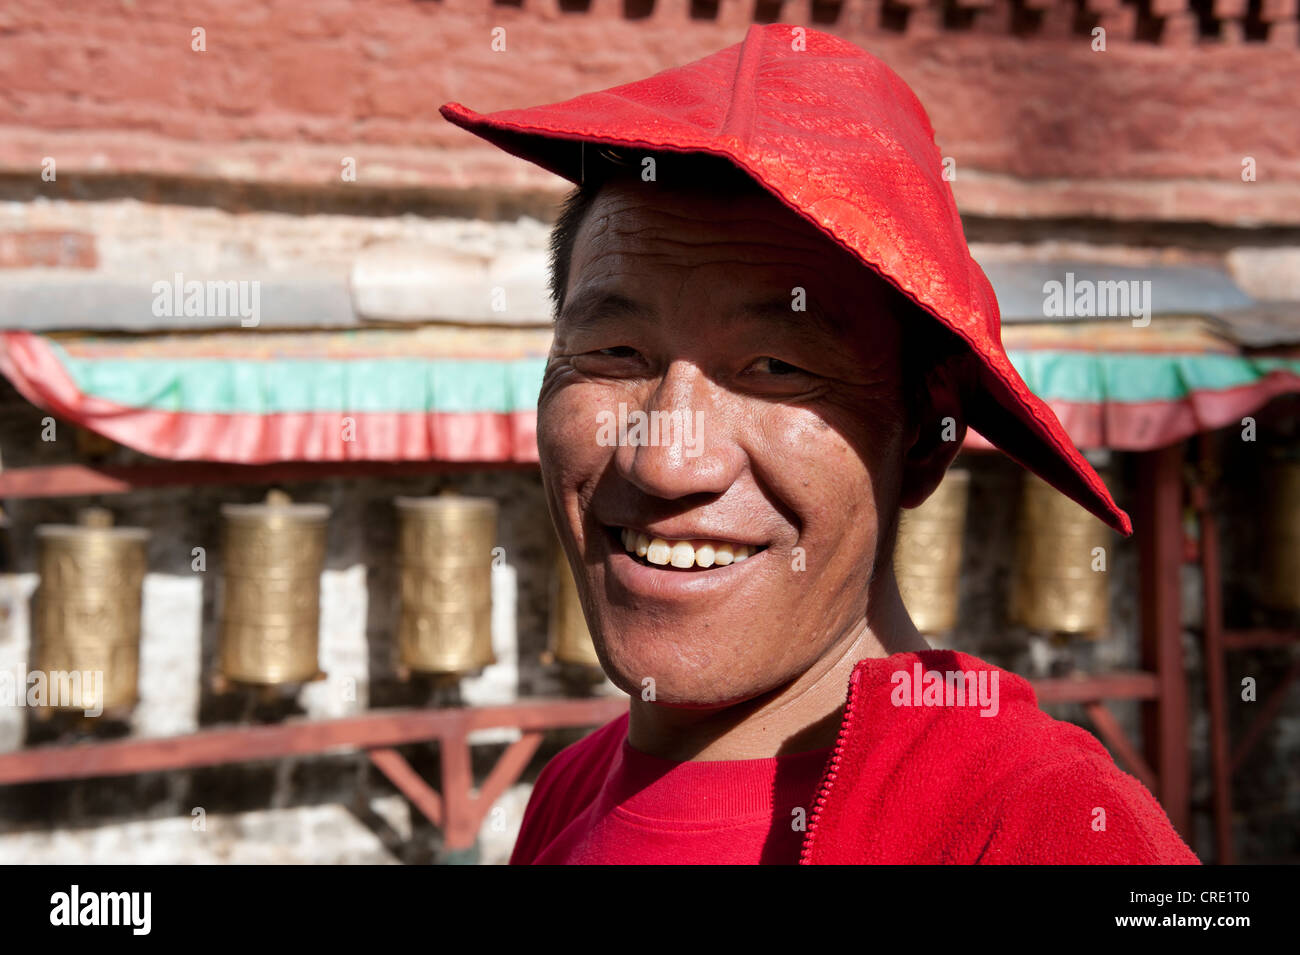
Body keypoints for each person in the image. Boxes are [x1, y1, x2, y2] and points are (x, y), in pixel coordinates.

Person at [441, 24, 1198, 864]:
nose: (664, 460)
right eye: (615, 354)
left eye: (775, 366)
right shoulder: (568, 792)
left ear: (924, 438)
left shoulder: (1041, 825)